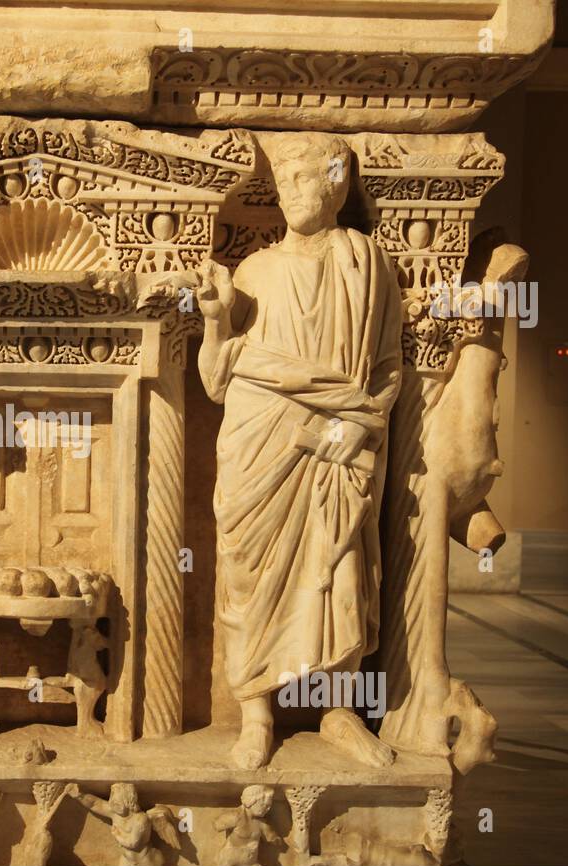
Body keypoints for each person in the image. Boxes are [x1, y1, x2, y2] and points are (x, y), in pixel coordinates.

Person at [196, 133, 403, 770]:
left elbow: (389, 370)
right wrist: (213, 320)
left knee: (339, 570)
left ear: (336, 185)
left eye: (303, 179)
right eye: (282, 181)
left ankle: (339, 710)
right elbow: (214, 380)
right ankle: (255, 712)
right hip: (259, 444)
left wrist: (355, 426)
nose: (290, 193)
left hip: (336, 448)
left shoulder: (367, 263)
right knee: (247, 569)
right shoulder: (253, 271)